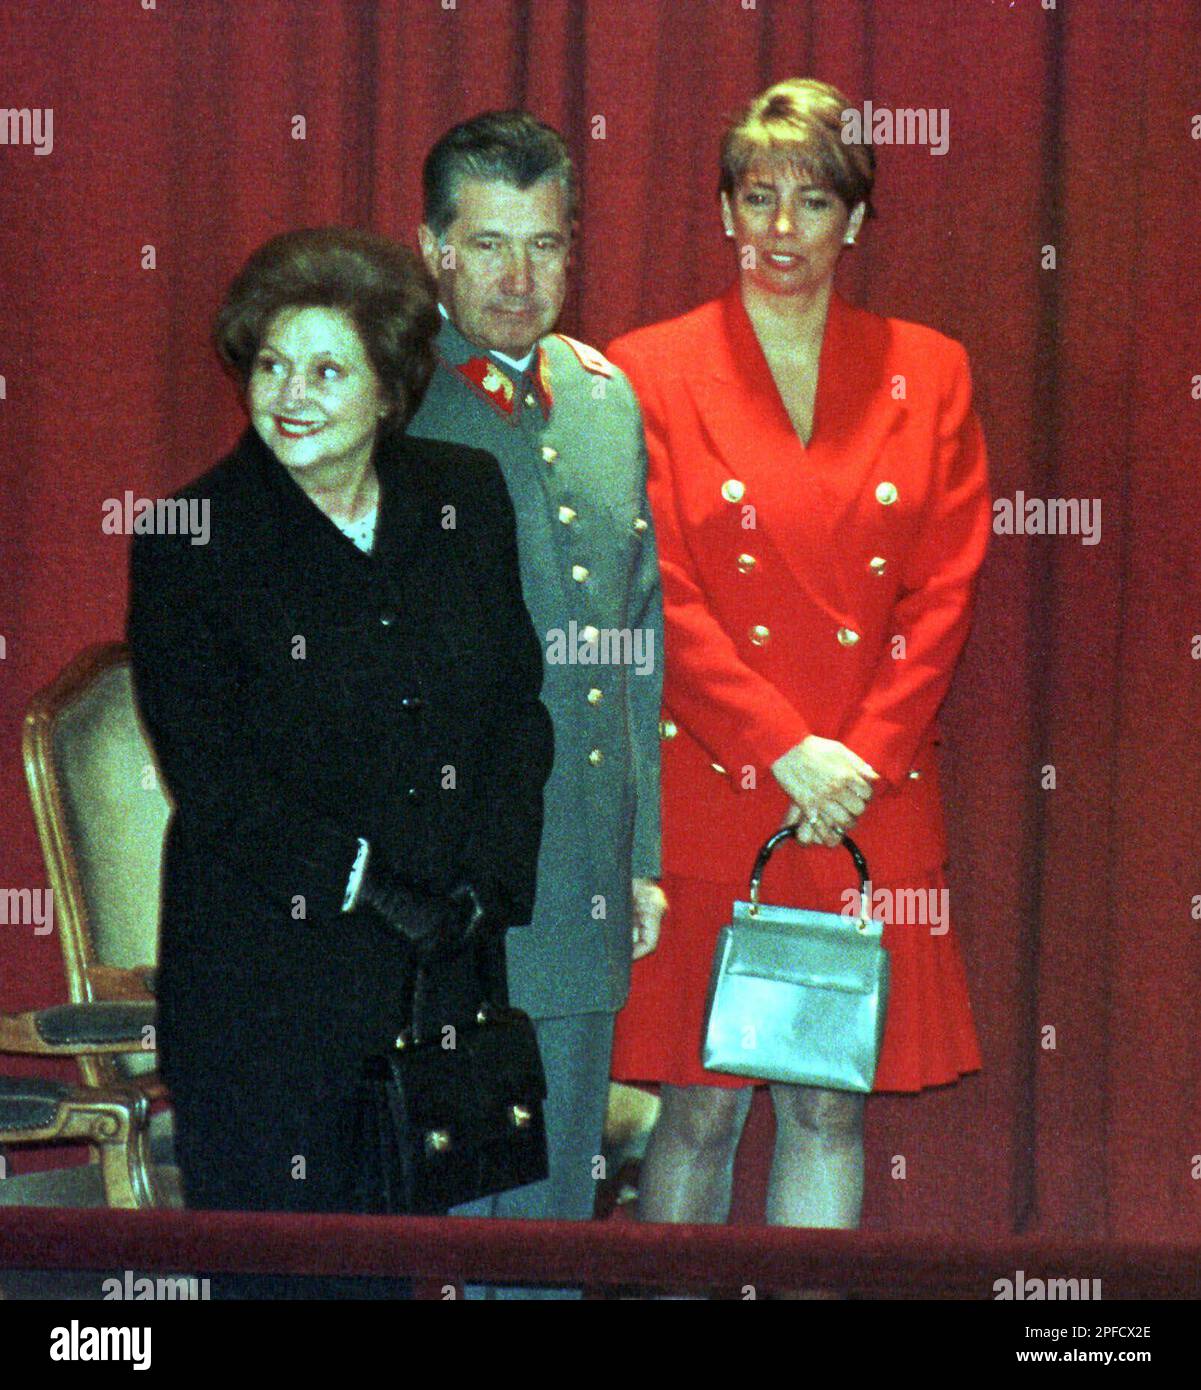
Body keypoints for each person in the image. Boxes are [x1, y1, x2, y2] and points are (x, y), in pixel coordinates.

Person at [606, 78, 990, 1268]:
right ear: (723, 212)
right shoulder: (645, 370)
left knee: (828, 1098)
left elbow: (944, 588)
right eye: (757, 198)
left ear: (855, 223)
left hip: (865, 791)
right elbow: (655, 592)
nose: (781, 230)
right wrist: (778, 744)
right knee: (703, 1101)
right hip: (718, 782)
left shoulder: (929, 369)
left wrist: (854, 758)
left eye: (811, 201)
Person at [126, 227, 553, 1297]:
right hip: (263, 989)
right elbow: (214, 780)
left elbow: (516, 713)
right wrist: (369, 883)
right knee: (285, 1280)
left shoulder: (463, 496)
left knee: (395, 1272)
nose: (292, 396)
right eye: (271, 365)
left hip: (429, 977)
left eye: (327, 370)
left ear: (387, 389)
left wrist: (480, 889)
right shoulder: (191, 536)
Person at [408, 111, 666, 1297]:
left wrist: (642, 856)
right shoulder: (385, 404)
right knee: (439, 1218)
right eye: (490, 243)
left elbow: (640, 644)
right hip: (440, 884)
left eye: (546, 244)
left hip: (578, 875)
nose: (520, 278)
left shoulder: (609, 399)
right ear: (434, 250)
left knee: (554, 1216)